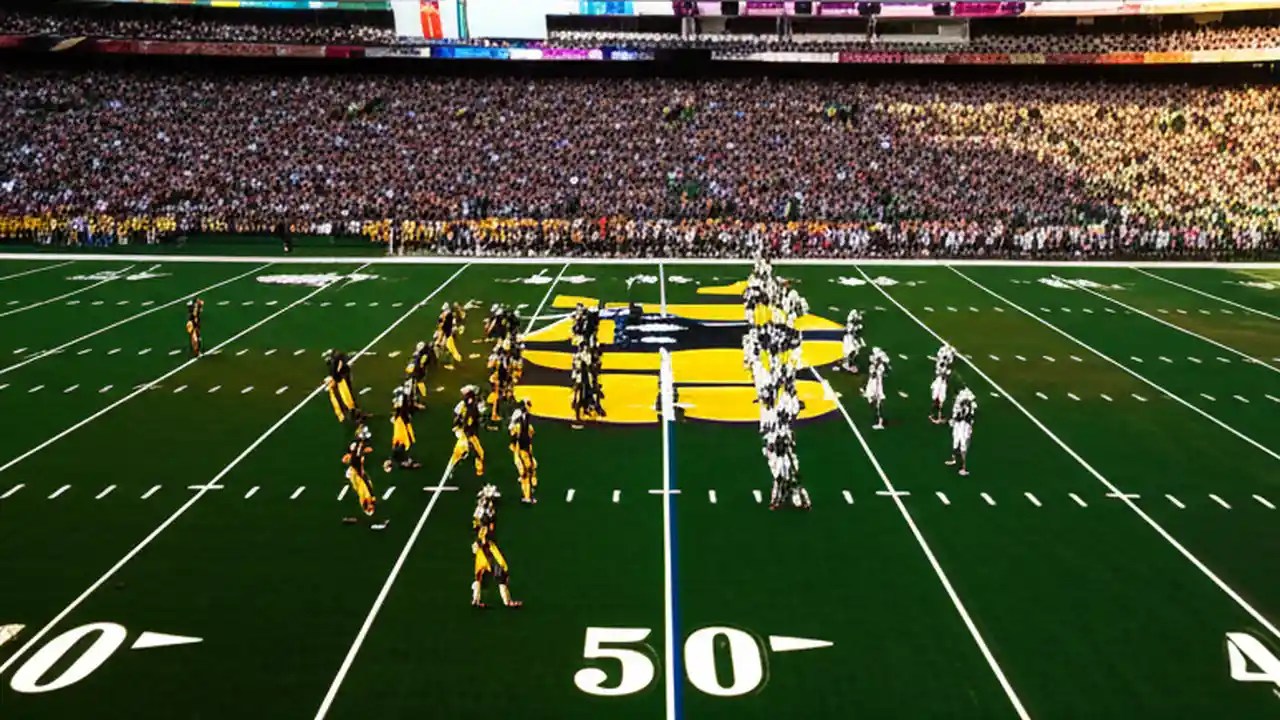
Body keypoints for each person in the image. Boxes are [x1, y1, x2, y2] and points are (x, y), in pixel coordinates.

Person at [471, 484, 522, 608]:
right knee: (501, 570)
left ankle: (475, 599)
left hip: (482, 546)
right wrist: (480, 542)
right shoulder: (486, 514)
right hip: (487, 547)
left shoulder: (480, 510)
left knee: (480, 574)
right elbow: (484, 529)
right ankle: (507, 601)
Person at [342, 424, 387, 529]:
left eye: (370, 508)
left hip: (357, 475)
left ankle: (359, 437)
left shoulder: (365, 497)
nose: (372, 507)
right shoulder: (370, 498)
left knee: (357, 456)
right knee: (357, 456)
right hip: (358, 474)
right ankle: (360, 439)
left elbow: (363, 483)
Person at [450, 385, 486, 477]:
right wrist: (457, 427)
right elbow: (457, 417)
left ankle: (478, 469)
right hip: (465, 432)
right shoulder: (463, 405)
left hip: (471, 431)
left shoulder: (472, 405)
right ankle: (453, 466)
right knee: (467, 451)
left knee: (476, 451)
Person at [508, 399, 538, 504]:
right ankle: (527, 496)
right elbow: (514, 436)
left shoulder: (526, 419)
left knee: (530, 467)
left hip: (525, 447)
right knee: (524, 473)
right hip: (519, 449)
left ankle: (528, 494)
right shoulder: (518, 422)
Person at [946, 388, 977, 476]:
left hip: (964, 427)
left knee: (963, 446)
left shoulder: (969, 408)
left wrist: (956, 418)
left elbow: (966, 418)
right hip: (959, 426)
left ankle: (963, 467)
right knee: (955, 442)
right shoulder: (960, 406)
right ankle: (954, 459)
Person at [863, 347, 891, 430]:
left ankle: (880, 422)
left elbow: (876, 374)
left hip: (877, 385)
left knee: (879, 403)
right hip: (873, 384)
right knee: (871, 401)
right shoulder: (875, 364)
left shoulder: (880, 366)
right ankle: (878, 416)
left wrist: (877, 365)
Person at [930, 344, 955, 424]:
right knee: (938, 398)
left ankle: (936, 415)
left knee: (939, 399)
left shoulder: (942, 365)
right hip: (940, 382)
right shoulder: (941, 366)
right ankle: (934, 415)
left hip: (941, 382)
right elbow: (942, 374)